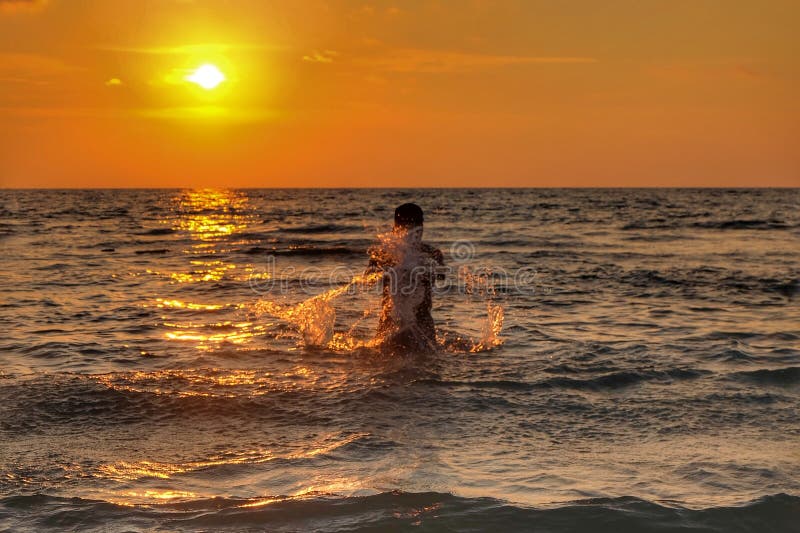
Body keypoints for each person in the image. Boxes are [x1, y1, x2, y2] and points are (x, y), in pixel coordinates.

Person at [367, 203, 444, 353]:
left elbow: (368, 279)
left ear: (395, 226)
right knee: (427, 357)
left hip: (399, 320)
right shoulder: (431, 253)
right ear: (422, 227)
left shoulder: (383, 253)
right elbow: (441, 277)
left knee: (386, 356)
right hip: (413, 320)